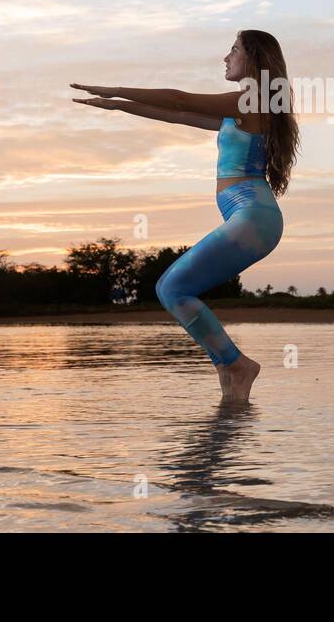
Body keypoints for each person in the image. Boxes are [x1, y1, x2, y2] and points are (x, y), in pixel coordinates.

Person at [71, 30, 300, 401]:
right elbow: (176, 114)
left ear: (254, 58)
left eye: (234, 50)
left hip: (254, 216)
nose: (226, 57)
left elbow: (179, 98)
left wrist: (116, 90)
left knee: (172, 288)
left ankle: (237, 365)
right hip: (254, 217)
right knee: (172, 288)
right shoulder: (242, 110)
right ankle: (231, 375)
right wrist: (119, 106)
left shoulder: (252, 101)